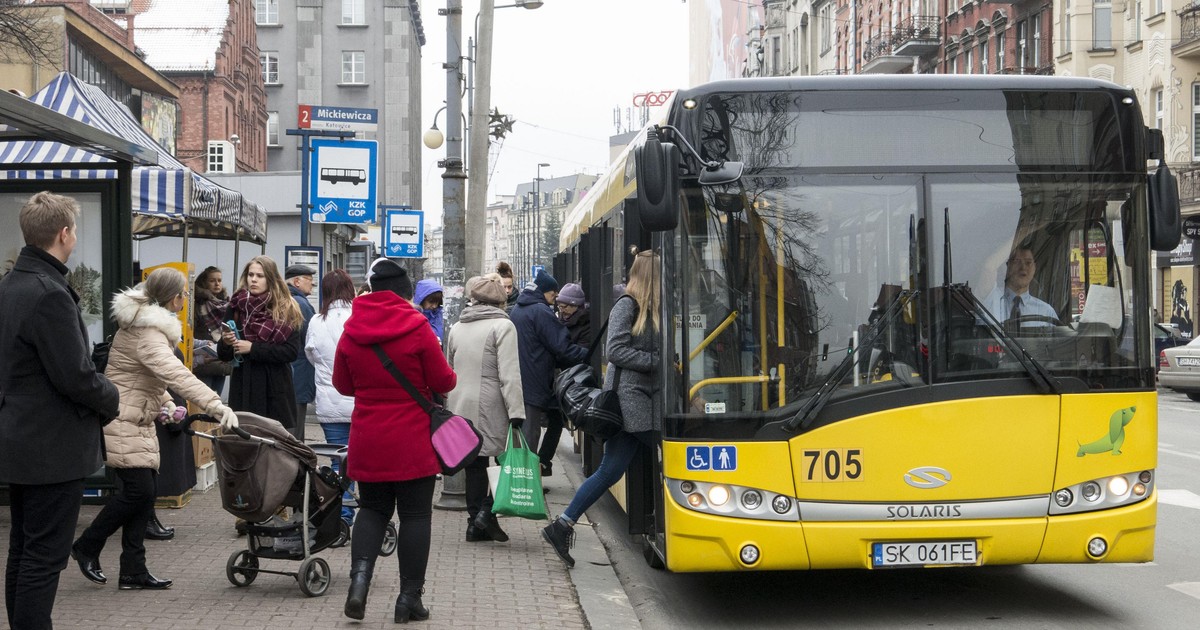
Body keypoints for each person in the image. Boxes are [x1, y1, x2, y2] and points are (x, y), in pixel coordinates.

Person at [71, 268, 238, 592]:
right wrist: (216, 404)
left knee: (144, 497)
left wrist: (164, 402)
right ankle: (87, 545)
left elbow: (139, 374)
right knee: (139, 493)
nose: (187, 298)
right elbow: (175, 373)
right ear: (174, 298)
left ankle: (133, 570)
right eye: (184, 293)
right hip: (124, 421)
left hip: (137, 419)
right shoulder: (148, 332)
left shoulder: (141, 325)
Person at [0, 192, 120, 628]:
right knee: (43, 559)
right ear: (64, 233)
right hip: (51, 447)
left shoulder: (12, 283)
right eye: (74, 230)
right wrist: (113, 398)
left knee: (25, 551)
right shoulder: (48, 292)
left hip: (22, 438)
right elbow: (75, 376)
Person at [335, 258, 456, 623]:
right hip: (412, 438)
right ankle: (408, 600)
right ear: (406, 295)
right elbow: (445, 381)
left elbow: (343, 385)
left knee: (372, 510)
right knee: (416, 516)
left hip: (369, 437)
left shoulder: (351, 328)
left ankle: (359, 585)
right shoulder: (417, 326)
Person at [543, 250, 661, 568]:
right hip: (631, 404)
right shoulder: (628, 304)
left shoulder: (652, 308)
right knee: (669, 459)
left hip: (643, 403)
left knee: (610, 471)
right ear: (653, 276)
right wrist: (657, 362)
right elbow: (616, 349)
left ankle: (562, 524)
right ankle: (659, 525)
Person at [445, 274, 525, 543]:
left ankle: (475, 524)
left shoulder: (457, 327)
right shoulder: (503, 327)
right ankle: (487, 512)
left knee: (475, 464)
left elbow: (449, 367)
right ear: (500, 302)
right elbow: (510, 374)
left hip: (459, 402)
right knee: (505, 460)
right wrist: (517, 412)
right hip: (492, 402)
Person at [510, 269, 587, 477]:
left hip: (520, 380)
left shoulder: (519, 308)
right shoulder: (540, 311)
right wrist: (588, 355)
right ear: (545, 292)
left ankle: (526, 480)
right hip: (535, 381)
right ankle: (527, 488)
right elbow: (561, 346)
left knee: (524, 436)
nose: (554, 301)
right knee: (531, 435)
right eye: (553, 295)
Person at [218, 256, 304, 430]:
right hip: (243, 387)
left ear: (271, 278)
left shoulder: (287, 308)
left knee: (271, 448)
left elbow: (290, 352)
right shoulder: (236, 306)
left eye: (260, 275)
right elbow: (224, 355)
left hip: (274, 389)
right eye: (251, 275)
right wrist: (226, 342)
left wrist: (253, 348)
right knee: (244, 446)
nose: (254, 279)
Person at [304, 268, 358, 525]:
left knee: (338, 461)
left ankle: (340, 515)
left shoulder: (317, 321)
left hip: (329, 401)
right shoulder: (359, 317)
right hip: (360, 403)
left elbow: (311, 356)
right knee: (359, 460)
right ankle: (355, 512)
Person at [981, 244, 1058, 327]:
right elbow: (988, 267)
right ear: (1007, 266)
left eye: (1028, 263)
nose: (1023, 267)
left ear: (1034, 268)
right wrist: (1022, 232)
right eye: (1016, 261)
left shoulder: (1046, 312)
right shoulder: (992, 298)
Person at [286, 264, 317, 441]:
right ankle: (296, 467)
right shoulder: (301, 304)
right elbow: (309, 339)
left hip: (292, 371)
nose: (312, 284)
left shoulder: (287, 299)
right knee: (295, 430)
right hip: (299, 372)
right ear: (297, 281)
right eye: (309, 280)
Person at [192, 265, 231, 395]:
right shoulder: (197, 303)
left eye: (219, 280)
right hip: (204, 359)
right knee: (204, 400)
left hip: (221, 357)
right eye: (212, 280)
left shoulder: (225, 303)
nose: (217, 284)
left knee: (217, 400)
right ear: (204, 282)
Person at [556, 282, 591, 348]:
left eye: (564, 307)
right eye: (559, 307)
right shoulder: (560, 321)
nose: (561, 310)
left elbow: (580, 353)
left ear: (576, 306)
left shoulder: (586, 326)